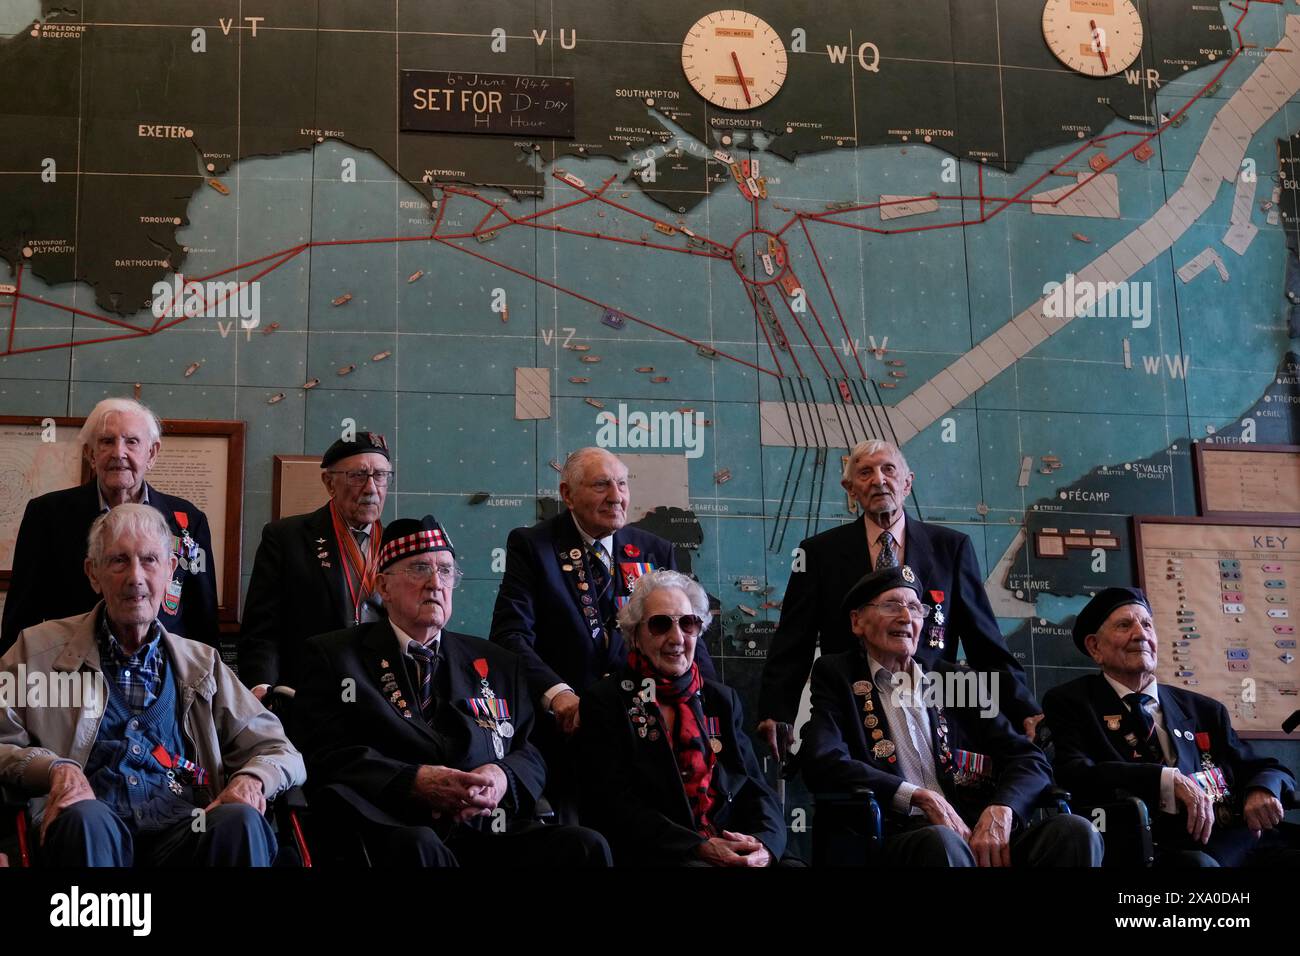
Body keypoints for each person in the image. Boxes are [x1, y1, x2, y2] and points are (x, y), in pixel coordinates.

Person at [292, 515, 611, 867]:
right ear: (384, 587)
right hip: (391, 827)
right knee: (420, 846)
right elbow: (326, 754)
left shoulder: (498, 662)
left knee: (584, 846)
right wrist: (413, 781)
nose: (435, 583)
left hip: (486, 827)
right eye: (418, 569)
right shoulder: (335, 657)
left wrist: (502, 777)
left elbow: (530, 749)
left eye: (445, 571)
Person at [0, 505, 304, 866]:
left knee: (239, 820)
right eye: (118, 561)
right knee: (85, 818)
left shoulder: (202, 665)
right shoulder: (37, 652)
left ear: (170, 571)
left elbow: (280, 751)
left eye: (149, 560)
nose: (136, 577)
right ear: (92, 574)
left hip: (186, 829)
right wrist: (54, 769)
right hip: (93, 826)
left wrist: (253, 779)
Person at [799, 565, 1102, 867]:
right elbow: (823, 759)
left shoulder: (954, 681)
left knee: (1075, 832)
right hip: (900, 836)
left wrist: (1002, 809)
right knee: (941, 843)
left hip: (979, 832)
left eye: (916, 608)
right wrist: (919, 796)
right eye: (891, 606)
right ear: (857, 622)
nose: (906, 617)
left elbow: (1028, 759)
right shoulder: (837, 675)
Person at [757, 439, 1040, 757]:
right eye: (865, 473)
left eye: (888, 469)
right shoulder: (819, 554)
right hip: (850, 713)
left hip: (934, 712)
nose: (878, 480)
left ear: (907, 483)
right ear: (850, 489)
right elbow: (793, 642)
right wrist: (776, 711)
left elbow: (984, 641)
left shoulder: (952, 548)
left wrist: (1022, 706)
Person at [489, 448, 714, 812]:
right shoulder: (534, 547)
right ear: (567, 494)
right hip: (567, 733)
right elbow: (509, 637)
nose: (616, 496)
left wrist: (709, 706)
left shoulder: (655, 551)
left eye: (622, 484)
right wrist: (558, 694)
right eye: (600, 485)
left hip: (648, 734)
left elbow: (692, 637)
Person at [1043, 587, 1299, 867]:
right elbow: (1076, 773)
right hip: (1153, 850)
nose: (1141, 634)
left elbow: (1267, 767)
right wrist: (1165, 779)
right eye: (1124, 625)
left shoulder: (1203, 710)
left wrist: (1263, 789)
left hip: (1235, 840)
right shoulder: (1073, 702)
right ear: (1095, 647)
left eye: (1147, 625)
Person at [577, 570, 785, 866]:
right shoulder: (607, 701)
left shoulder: (720, 700)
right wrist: (698, 847)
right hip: (661, 850)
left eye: (688, 624)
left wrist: (765, 844)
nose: (677, 638)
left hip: (731, 841)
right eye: (661, 625)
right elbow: (613, 803)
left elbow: (754, 784)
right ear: (635, 635)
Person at [2, 398, 219, 652]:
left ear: (152, 453)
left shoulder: (188, 520)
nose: (119, 452)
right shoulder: (46, 515)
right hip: (70, 672)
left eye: (131, 441)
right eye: (107, 441)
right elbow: (20, 617)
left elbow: (203, 622)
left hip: (162, 675)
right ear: (90, 454)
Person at [238, 432, 392, 697]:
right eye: (357, 476)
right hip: (307, 695)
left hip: (380, 697)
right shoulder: (287, 538)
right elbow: (262, 631)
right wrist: (263, 689)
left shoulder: (397, 546)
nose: (371, 488)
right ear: (329, 483)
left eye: (380, 475)